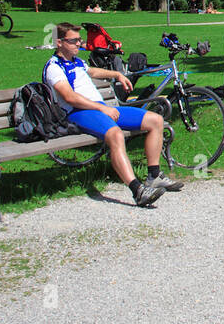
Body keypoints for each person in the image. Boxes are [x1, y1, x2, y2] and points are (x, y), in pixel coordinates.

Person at [42, 22, 181, 207]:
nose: (79, 44)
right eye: (73, 40)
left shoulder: (76, 62)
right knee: (115, 134)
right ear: (59, 42)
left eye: (79, 40)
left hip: (99, 108)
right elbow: (70, 97)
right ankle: (137, 191)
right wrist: (102, 108)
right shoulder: (54, 67)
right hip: (78, 112)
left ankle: (153, 176)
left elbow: (91, 71)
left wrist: (117, 74)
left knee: (155, 120)